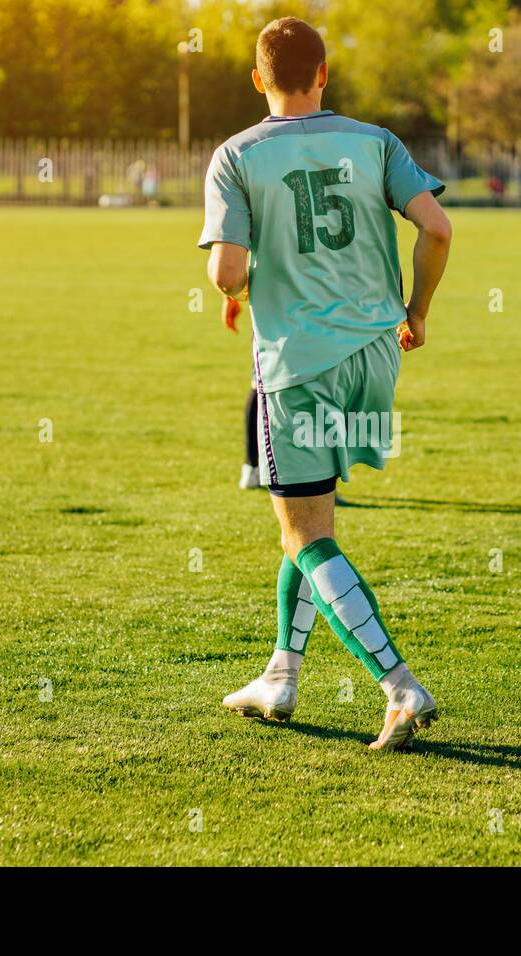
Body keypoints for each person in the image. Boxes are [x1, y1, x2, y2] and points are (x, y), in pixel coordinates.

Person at [198, 17, 452, 751]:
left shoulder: (236, 154)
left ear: (257, 80)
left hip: (299, 360)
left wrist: (232, 281)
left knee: (304, 531)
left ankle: (400, 688)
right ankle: (279, 675)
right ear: (325, 72)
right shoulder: (377, 142)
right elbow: (436, 228)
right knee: (313, 523)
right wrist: (418, 311)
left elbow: (228, 270)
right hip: (377, 354)